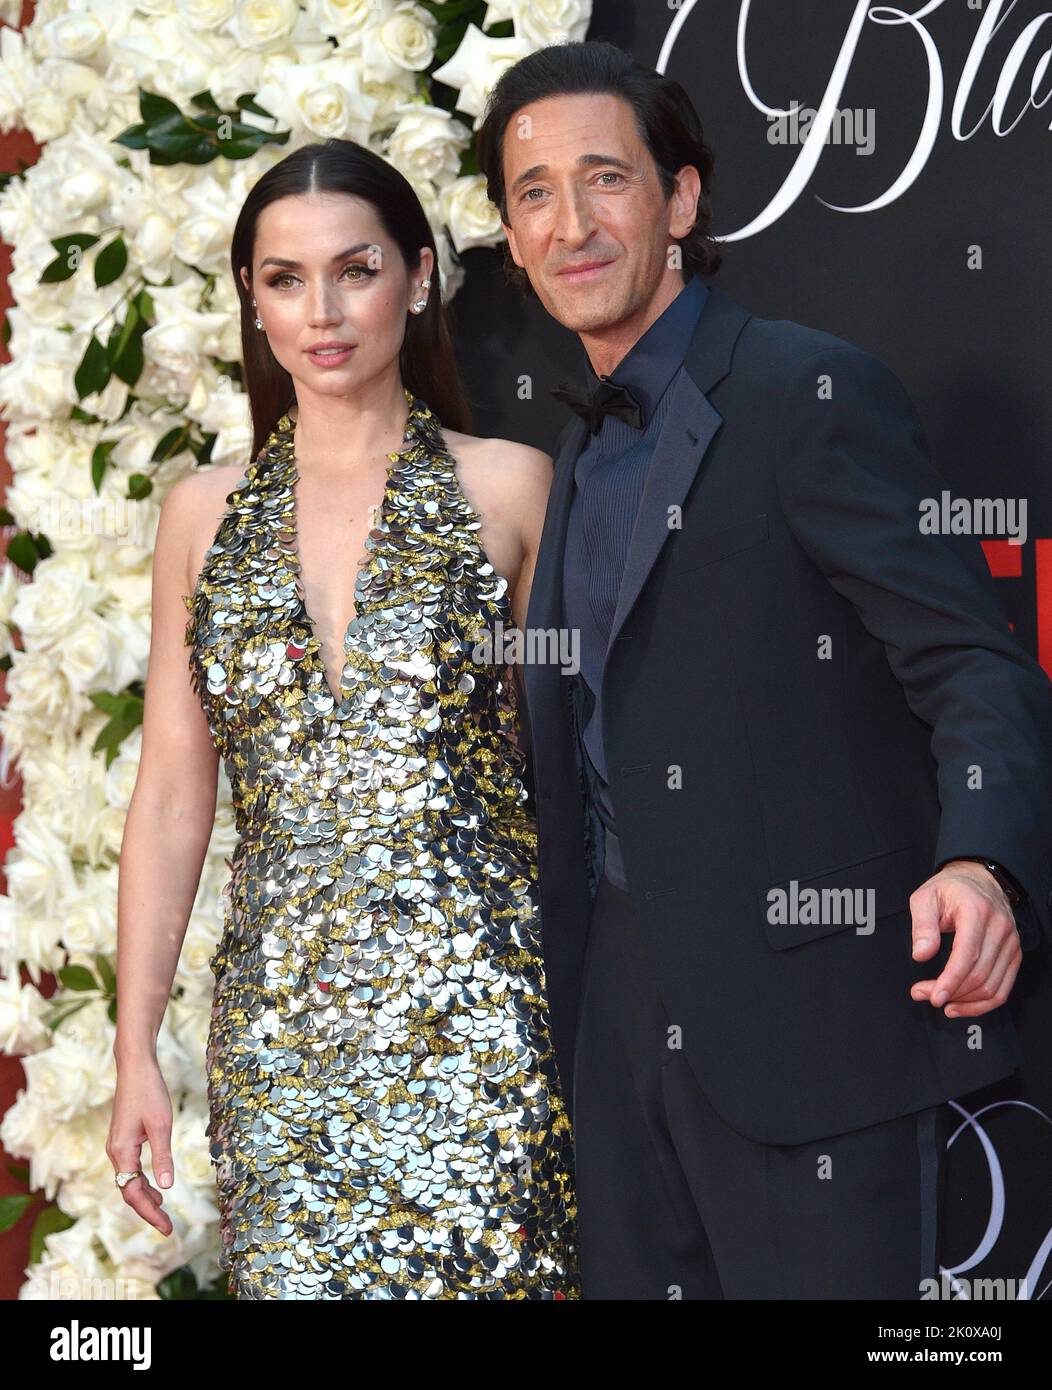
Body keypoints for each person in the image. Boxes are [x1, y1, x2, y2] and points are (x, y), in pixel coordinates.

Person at [474, 40, 1052, 1299]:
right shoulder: (566, 448)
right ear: (507, 237)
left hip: (809, 1029)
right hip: (615, 1038)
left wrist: (981, 858)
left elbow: (968, 659)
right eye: (531, 194)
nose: (569, 223)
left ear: (681, 199)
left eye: (604, 180)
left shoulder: (802, 390)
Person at [107, 138, 579, 1299]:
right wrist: (135, 1049)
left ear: (418, 278)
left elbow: (578, 773)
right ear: (252, 301)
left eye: (353, 269)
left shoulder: (512, 485)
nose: (321, 309)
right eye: (283, 278)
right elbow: (174, 791)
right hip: (280, 1038)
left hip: (488, 1023)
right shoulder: (200, 514)